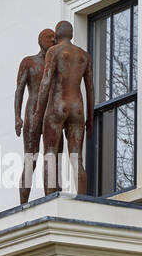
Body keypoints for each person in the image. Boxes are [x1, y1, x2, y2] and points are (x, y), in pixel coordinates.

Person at [29, 19, 93, 196]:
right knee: (77, 158)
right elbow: (90, 89)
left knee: (50, 154)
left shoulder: (54, 51)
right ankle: (82, 199)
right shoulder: (84, 56)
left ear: (57, 36)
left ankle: (49, 200)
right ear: (71, 35)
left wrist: (37, 115)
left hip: (57, 106)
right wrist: (91, 118)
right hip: (77, 108)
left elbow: (46, 82)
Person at [14, 28, 55, 204]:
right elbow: (19, 89)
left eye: (54, 37)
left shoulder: (56, 62)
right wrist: (17, 116)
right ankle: (23, 203)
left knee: (52, 158)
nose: (53, 40)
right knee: (31, 158)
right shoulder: (29, 62)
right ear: (40, 40)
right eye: (49, 37)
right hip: (32, 112)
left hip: (51, 113)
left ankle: (52, 198)